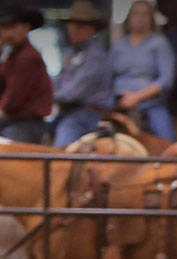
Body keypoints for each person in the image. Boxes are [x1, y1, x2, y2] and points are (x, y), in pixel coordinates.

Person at [0, 4, 54, 144]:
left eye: (13, 27)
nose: (8, 34)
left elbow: (15, 94)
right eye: (4, 28)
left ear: (26, 28)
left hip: (26, 124)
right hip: (11, 121)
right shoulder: (11, 56)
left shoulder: (28, 56)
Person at [111, 1, 177, 141]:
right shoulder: (119, 46)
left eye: (145, 14)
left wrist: (137, 97)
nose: (140, 18)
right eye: (136, 13)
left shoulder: (159, 43)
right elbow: (107, 76)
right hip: (119, 104)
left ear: (151, 19)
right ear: (129, 18)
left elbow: (166, 80)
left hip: (150, 104)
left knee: (165, 140)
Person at [52, 0, 113, 149]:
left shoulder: (95, 57)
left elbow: (73, 93)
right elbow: (59, 81)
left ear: (91, 29)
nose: (74, 30)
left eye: (80, 26)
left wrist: (45, 96)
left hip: (86, 114)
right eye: (72, 25)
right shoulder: (70, 53)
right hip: (69, 112)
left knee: (59, 153)